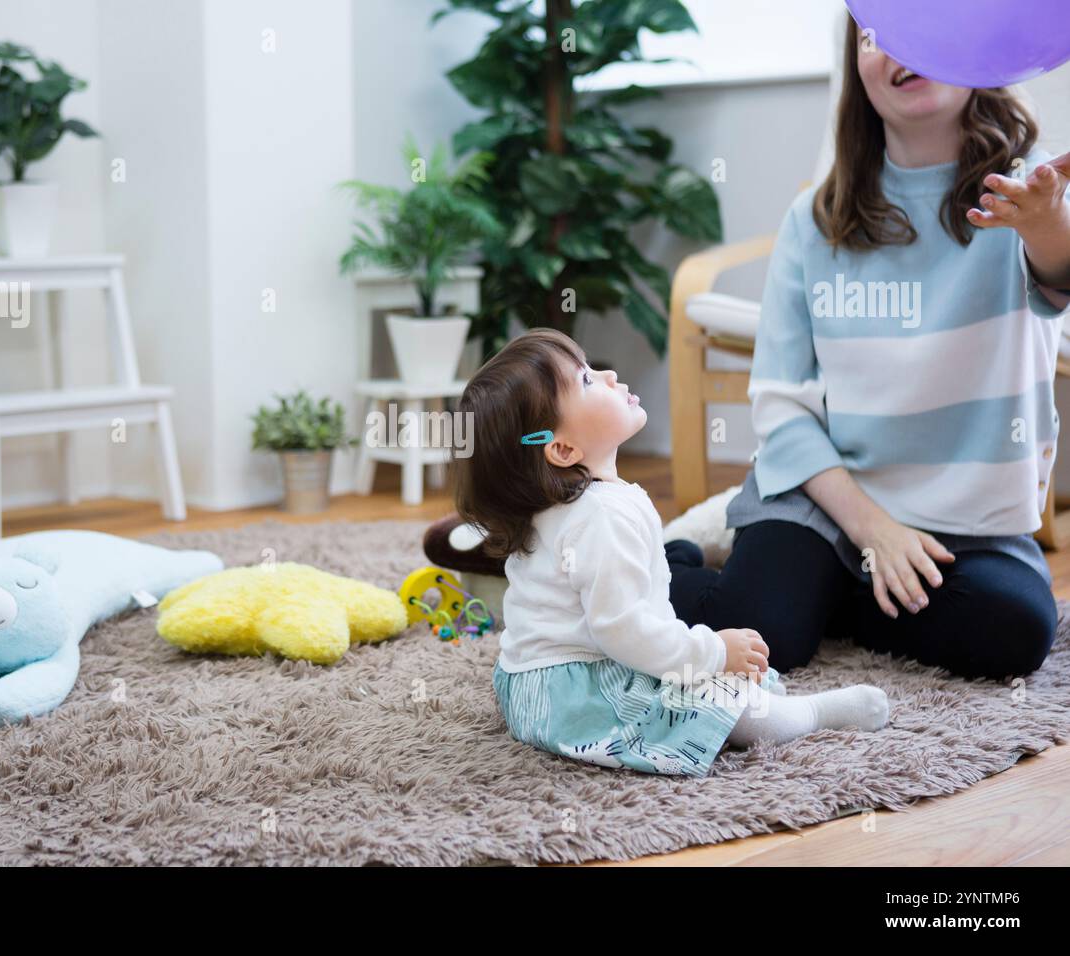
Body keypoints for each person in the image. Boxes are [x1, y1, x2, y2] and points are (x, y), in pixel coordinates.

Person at [670, 15, 1070, 680]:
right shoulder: (815, 222)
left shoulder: (1024, 202)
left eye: (924, 21)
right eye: (874, 34)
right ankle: (672, 562)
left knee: (1018, 629)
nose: (897, 48)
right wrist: (873, 531)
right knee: (767, 632)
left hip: (965, 526)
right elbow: (780, 406)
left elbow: (1058, 275)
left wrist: (1048, 221)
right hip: (825, 502)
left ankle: (828, 599)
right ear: (859, 74)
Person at [453, 328, 889, 777]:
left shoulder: (567, 507)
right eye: (585, 380)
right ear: (562, 449)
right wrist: (712, 651)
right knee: (713, 700)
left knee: (699, 670)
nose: (609, 375)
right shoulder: (600, 517)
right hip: (575, 693)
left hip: (530, 685)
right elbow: (623, 631)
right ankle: (811, 715)